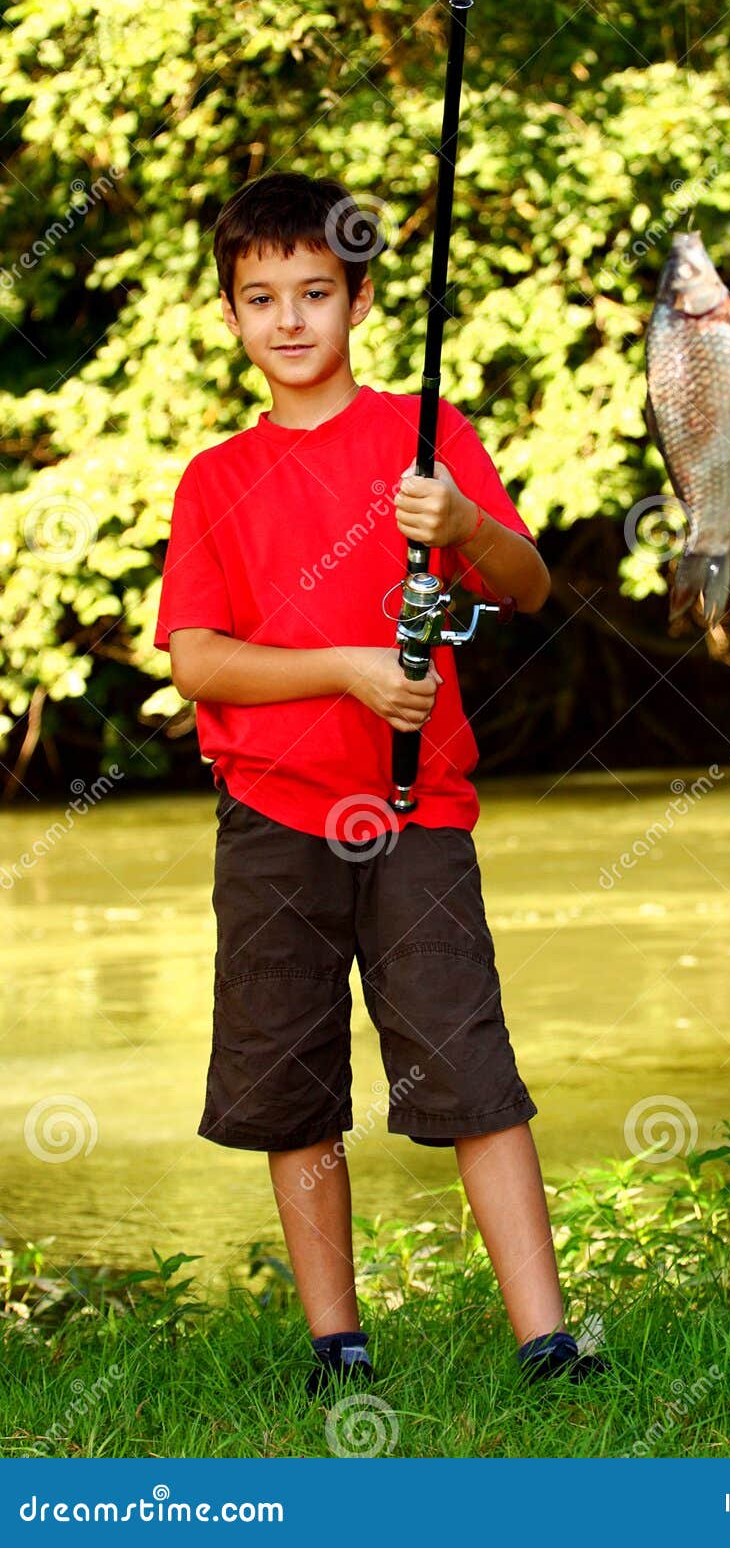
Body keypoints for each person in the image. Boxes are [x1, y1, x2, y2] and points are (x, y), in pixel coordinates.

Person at [154, 170, 606, 1395]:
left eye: (314, 292)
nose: (289, 318)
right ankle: (337, 1346)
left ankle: (547, 1343)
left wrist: (460, 526)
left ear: (358, 301)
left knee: (470, 1068)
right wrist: (349, 670)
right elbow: (199, 661)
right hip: (269, 817)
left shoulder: (427, 437)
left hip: (419, 812)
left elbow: (526, 585)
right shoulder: (214, 477)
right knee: (291, 1083)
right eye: (261, 298)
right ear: (232, 316)